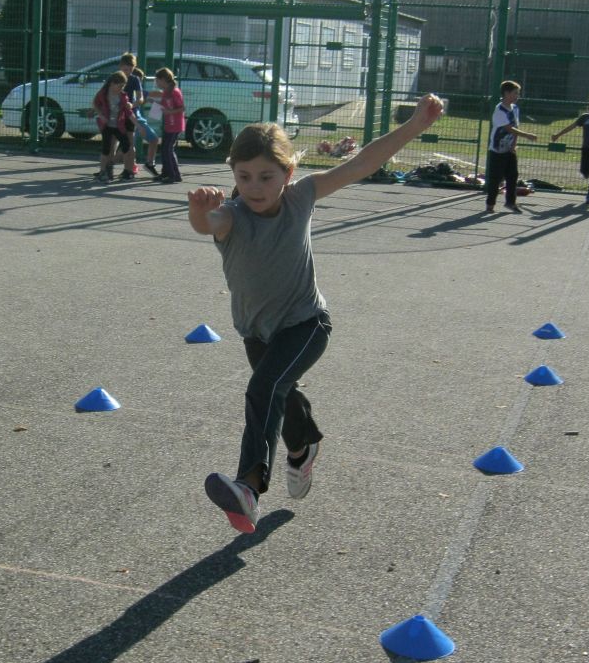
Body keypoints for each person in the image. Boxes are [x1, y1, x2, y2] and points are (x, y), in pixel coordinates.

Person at [188, 94, 445, 533]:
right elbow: (206, 225)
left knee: (265, 387)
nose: (254, 187)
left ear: (288, 174)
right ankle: (303, 445)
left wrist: (415, 125)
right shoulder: (231, 215)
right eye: (244, 176)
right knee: (281, 395)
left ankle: (249, 487)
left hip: (307, 323)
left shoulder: (301, 197)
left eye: (266, 176)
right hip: (257, 332)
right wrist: (197, 213)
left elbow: (362, 163)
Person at [484, 79, 537, 213]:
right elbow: (509, 128)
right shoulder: (499, 110)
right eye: (515, 93)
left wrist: (514, 145)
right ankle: (490, 204)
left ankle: (510, 202)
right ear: (506, 93)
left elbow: (516, 127)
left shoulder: (515, 109)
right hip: (497, 150)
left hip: (509, 149)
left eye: (518, 93)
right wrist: (527, 135)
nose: (517, 96)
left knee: (513, 176)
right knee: (496, 178)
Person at [550, 92, 589, 205]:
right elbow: (572, 126)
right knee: (584, 170)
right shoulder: (585, 117)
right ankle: (585, 173)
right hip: (587, 148)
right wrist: (558, 134)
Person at [92, 71, 134, 183]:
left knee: (126, 145)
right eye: (120, 86)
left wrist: (138, 125)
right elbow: (95, 104)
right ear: (112, 83)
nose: (121, 89)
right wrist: (101, 115)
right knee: (106, 149)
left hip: (118, 126)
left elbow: (129, 112)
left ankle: (126, 170)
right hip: (106, 126)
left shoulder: (122, 96)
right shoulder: (103, 93)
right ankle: (103, 172)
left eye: (123, 86)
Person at [154, 67, 185, 183]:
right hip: (169, 125)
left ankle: (173, 175)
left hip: (175, 125)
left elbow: (182, 108)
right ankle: (166, 173)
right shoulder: (166, 92)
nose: (156, 83)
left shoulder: (174, 92)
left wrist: (169, 112)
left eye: (157, 80)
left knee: (168, 149)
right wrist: (155, 103)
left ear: (163, 80)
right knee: (165, 149)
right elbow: (163, 105)